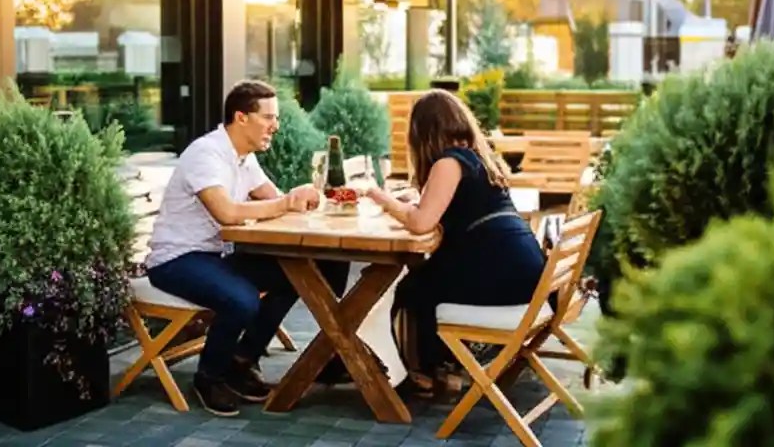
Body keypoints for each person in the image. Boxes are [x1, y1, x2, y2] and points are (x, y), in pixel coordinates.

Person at [144, 80, 350, 416]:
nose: (276, 125)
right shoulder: (206, 153)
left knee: (302, 273)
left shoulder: (244, 157)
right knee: (241, 299)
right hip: (177, 260)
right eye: (268, 117)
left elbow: (274, 199)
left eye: (276, 117)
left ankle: (241, 360)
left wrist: (307, 200)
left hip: (218, 256)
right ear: (241, 118)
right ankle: (208, 377)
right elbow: (226, 212)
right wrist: (287, 203)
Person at [364, 89, 546, 397]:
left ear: (423, 132)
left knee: (411, 286)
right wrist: (414, 201)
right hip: (526, 274)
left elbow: (421, 222)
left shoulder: (448, 162)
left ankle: (427, 371)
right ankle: (438, 365)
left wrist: (377, 195)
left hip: (507, 282)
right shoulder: (476, 157)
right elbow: (445, 205)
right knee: (419, 280)